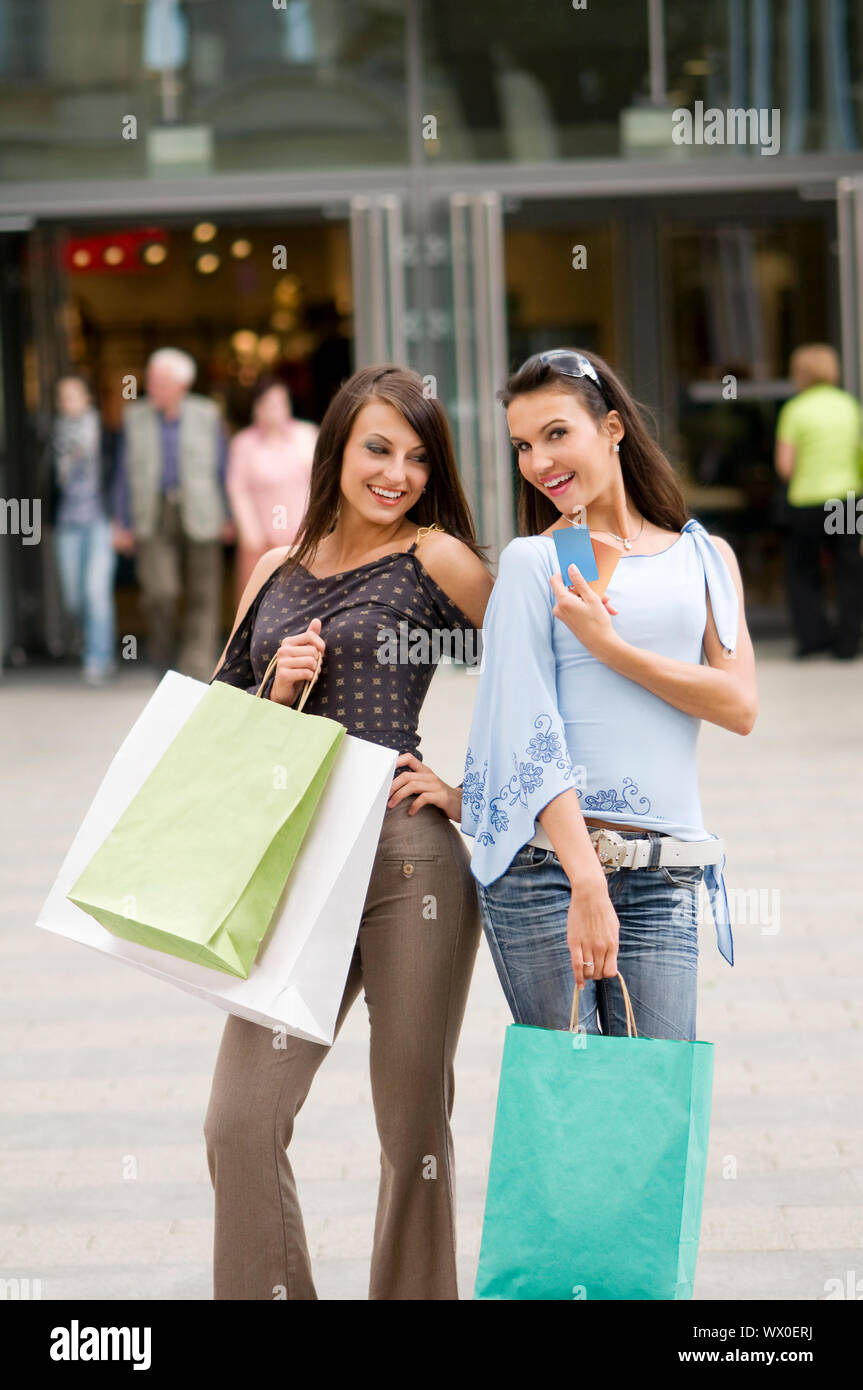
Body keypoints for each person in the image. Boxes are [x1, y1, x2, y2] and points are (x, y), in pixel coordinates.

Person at [204, 365, 493, 1300]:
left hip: (408, 860)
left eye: (416, 457)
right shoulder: (272, 572)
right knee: (238, 1123)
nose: (396, 473)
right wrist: (278, 691)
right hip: (296, 867)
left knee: (412, 1132)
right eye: (378, 448)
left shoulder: (436, 559)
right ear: (336, 448)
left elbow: (546, 670)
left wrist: (471, 789)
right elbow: (219, 727)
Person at [461, 348, 757, 1044]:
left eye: (556, 433)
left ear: (613, 428)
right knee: (570, 1111)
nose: (538, 462)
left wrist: (613, 650)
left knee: (652, 1110)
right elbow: (526, 722)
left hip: (664, 872)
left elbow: (737, 706)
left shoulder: (705, 558)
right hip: (547, 874)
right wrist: (585, 880)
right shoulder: (537, 560)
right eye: (523, 446)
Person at [111, 348, 236, 681]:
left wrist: (228, 514)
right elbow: (122, 472)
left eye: (161, 381)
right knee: (160, 591)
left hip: (201, 509)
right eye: (151, 379)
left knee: (204, 592)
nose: (152, 386)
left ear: (183, 384)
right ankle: (164, 660)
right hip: (151, 512)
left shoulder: (207, 413)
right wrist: (120, 521)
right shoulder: (133, 416)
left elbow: (222, 468)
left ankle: (195, 666)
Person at [775, 343, 863, 660]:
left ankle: (813, 640)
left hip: (806, 501)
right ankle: (848, 643)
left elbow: (785, 466)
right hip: (847, 499)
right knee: (849, 570)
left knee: (804, 571)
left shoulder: (795, 410)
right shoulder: (849, 406)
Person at [49, 375, 118, 686]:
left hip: (99, 521)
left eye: (74, 395)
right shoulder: (51, 436)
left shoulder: (104, 433)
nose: (68, 402)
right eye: (63, 397)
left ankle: (98, 657)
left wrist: (121, 519)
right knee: (74, 597)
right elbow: (45, 480)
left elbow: (118, 477)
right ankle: (89, 639)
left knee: (96, 592)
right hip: (67, 523)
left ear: (87, 398)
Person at [225, 376, 318, 603]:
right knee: (259, 603)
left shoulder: (306, 436)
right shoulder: (244, 443)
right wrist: (251, 533)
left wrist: (318, 527)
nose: (276, 410)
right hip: (260, 541)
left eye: (281, 403)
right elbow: (237, 489)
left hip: (303, 538)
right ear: (257, 408)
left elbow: (320, 484)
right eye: (269, 404)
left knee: (305, 602)